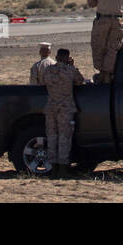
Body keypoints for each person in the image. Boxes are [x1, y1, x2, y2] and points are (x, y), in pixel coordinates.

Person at [42, 48, 86, 178]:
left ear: (56, 57)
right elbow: (80, 81)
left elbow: (43, 82)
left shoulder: (48, 70)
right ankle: (63, 169)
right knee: (64, 139)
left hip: (51, 108)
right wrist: (72, 66)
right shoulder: (70, 70)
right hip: (65, 109)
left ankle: (53, 168)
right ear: (67, 58)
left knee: (51, 138)